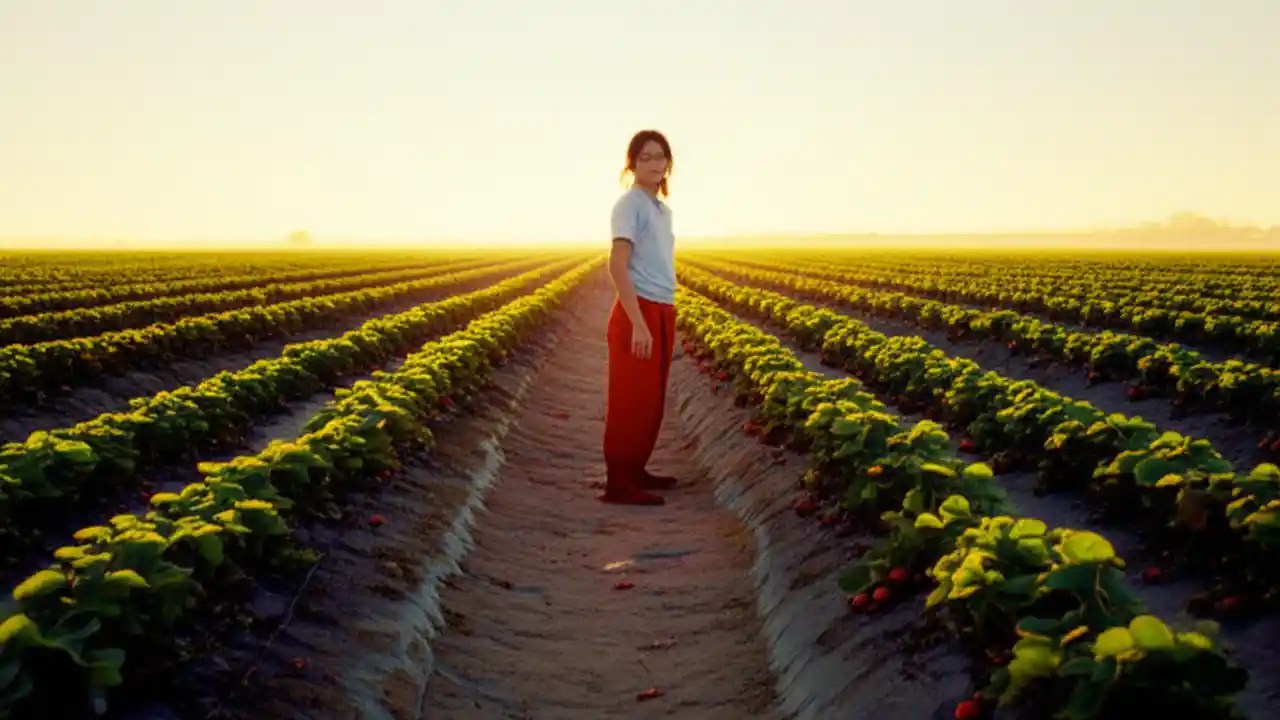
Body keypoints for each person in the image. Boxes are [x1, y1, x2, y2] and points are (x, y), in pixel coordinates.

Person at [600, 129, 678, 506]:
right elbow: (617, 265)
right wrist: (639, 323)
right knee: (630, 401)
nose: (653, 163)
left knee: (651, 401)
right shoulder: (629, 205)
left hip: (662, 308)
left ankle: (636, 471)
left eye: (659, 156)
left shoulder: (660, 209)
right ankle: (618, 483)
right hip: (640, 310)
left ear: (668, 164)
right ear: (631, 164)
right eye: (644, 157)